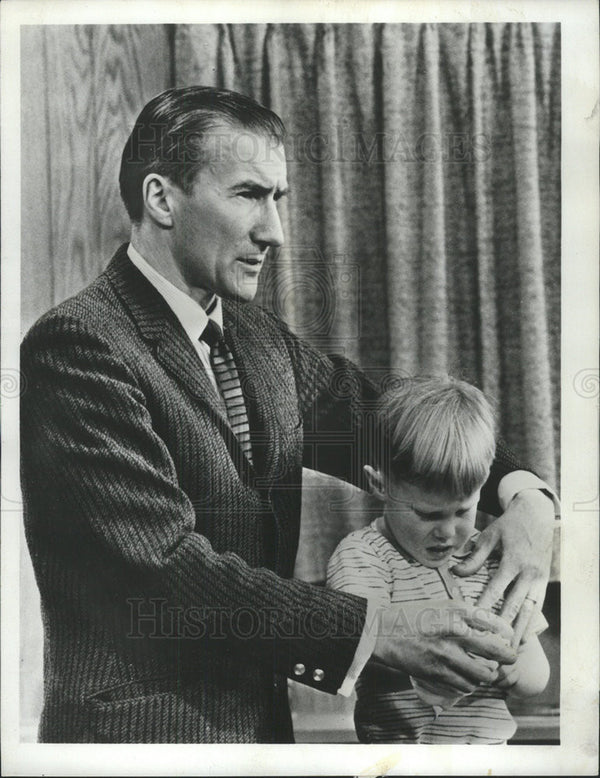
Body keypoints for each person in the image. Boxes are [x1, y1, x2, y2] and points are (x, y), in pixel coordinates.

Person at [20, 86, 556, 743]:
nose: (275, 230)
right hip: (142, 744)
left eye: (279, 199)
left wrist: (526, 497)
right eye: (249, 193)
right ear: (162, 198)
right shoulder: (77, 344)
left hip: (259, 740)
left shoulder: (260, 338)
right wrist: (378, 627)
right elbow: (162, 568)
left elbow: (393, 420)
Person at [327, 376, 550, 744]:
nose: (448, 532)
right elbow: (354, 641)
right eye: (428, 515)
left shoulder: (492, 557)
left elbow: (535, 676)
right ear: (379, 484)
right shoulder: (362, 556)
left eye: (464, 511)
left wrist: (517, 667)